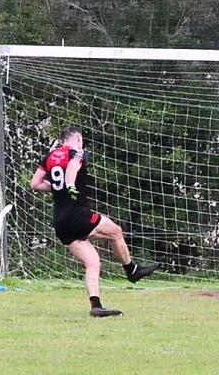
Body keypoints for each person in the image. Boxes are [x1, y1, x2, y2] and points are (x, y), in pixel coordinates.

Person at [30, 126, 160, 317]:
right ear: (78, 139)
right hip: (78, 215)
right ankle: (132, 270)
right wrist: (71, 185)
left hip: (60, 222)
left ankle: (96, 306)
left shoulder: (49, 157)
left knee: (93, 262)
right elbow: (73, 168)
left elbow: (35, 184)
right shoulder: (77, 152)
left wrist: (59, 189)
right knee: (115, 231)